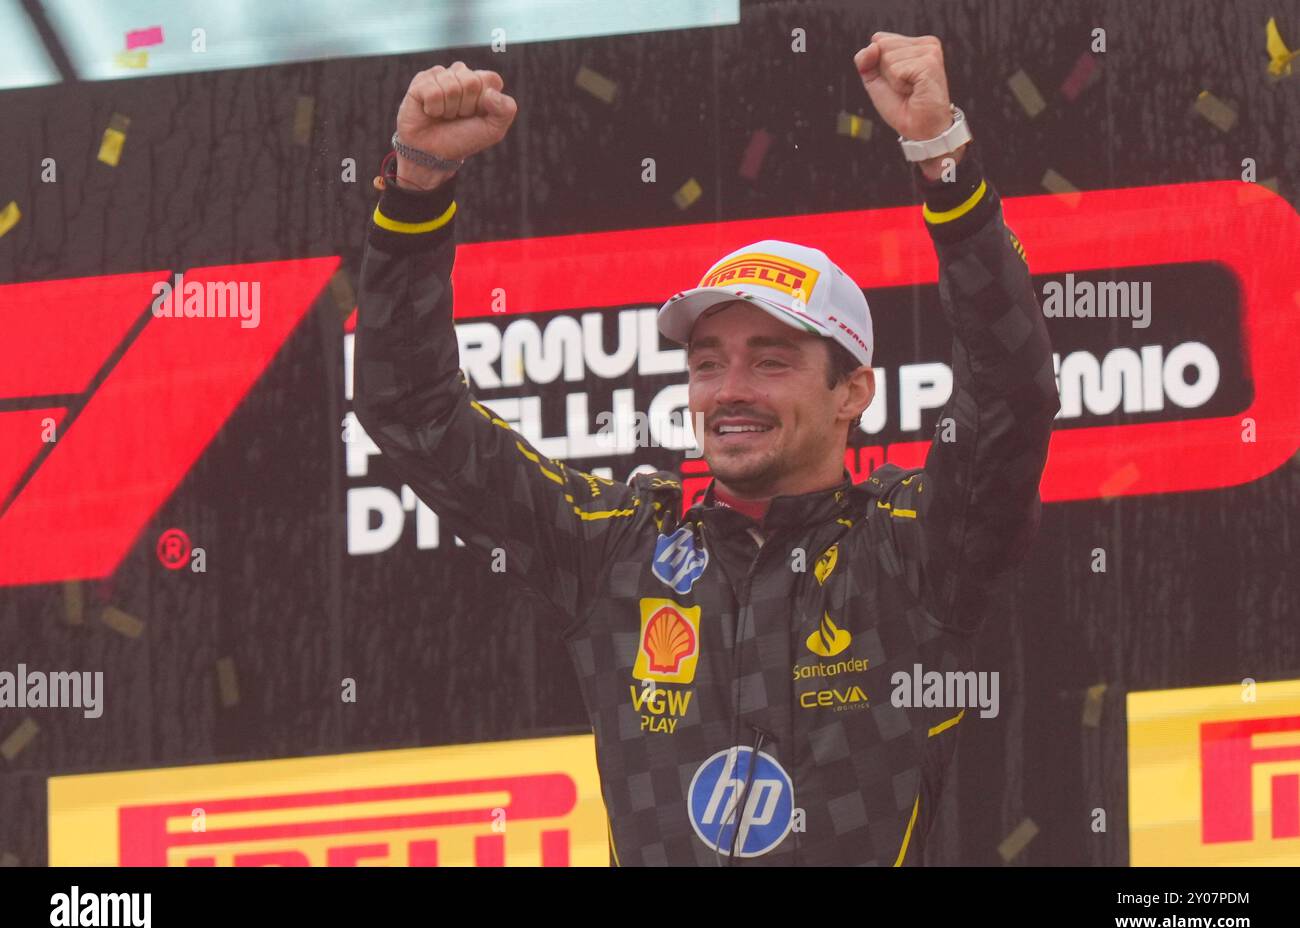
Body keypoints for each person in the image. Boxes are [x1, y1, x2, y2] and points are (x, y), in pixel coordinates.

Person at [353, 33, 1060, 866]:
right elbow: (412, 411)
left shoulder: (914, 547)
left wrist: (945, 163)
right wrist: (415, 189)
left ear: (853, 394)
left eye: (771, 361)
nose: (730, 391)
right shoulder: (618, 547)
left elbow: (1012, 392)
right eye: (707, 364)